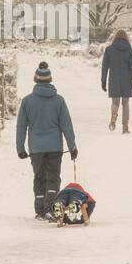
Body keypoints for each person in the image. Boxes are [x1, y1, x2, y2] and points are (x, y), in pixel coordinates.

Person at [15, 61, 77, 220]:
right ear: (50, 80)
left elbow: (21, 126)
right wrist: (72, 146)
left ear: (35, 80)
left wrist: (20, 148)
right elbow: (67, 126)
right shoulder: (59, 100)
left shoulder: (27, 101)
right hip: (55, 147)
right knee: (53, 177)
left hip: (36, 148)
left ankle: (40, 210)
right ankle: (50, 207)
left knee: (39, 177)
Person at [100, 29, 132, 132]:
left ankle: (113, 118)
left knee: (115, 103)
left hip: (114, 80)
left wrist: (103, 81)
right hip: (126, 80)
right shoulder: (129, 50)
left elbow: (104, 67)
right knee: (125, 104)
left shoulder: (109, 50)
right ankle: (125, 127)